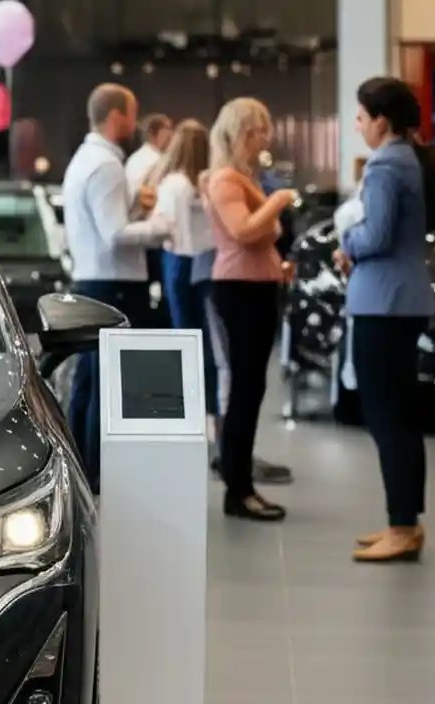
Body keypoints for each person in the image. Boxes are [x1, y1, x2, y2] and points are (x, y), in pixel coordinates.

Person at [334, 77, 435, 562]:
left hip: (385, 302)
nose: (358, 126)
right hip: (403, 298)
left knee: (387, 417)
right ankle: (404, 521)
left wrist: (347, 246)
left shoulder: (385, 164)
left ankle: (402, 526)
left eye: (360, 117)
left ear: (381, 120)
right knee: (399, 415)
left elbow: (374, 234)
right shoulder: (411, 158)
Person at [61, 83, 172, 491]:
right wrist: (160, 227)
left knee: (89, 382)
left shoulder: (86, 159)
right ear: (116, 116)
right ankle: (97, 475)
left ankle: (85, 470)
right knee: (106, 384)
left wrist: (135, 206)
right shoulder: (106, 165)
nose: (136, 121)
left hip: (96, 279)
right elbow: (115, 234)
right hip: (113, 285)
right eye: (132, 112)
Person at [204, 98, 299, 522]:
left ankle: (241, 484)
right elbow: (243, 231)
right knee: (244, 389)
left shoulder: (244, 179)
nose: (267, 138)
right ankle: (238, 488)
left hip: (256, 286)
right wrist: (278, 200)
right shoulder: (227, 180)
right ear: (244, 132)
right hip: (240, 289)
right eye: (260, 130)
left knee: (251, 388)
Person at [148, 119, 220, 438]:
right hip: (207, 264)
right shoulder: (207, 183)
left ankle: (188, 415)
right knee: (207, 342)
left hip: (177, 261)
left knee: (184, 341)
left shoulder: (171, 183)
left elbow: (162, 226)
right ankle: (212, 413)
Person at [126, 113, 173, 201]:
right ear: (152, 132)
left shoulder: (133, 158)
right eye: (168, 129)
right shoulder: (158, 161)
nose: (171, 134)